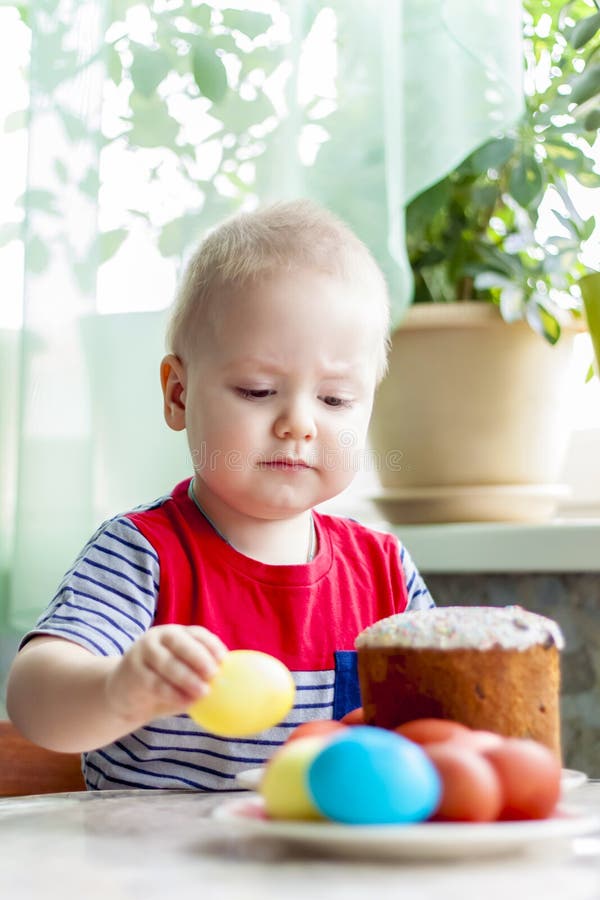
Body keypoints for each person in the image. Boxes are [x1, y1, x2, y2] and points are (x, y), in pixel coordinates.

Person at [7, 199, 434, 791]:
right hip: (159, 871)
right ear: (179, 395)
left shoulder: (384, 571)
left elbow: (440, 722)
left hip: (327, 874)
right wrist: (119, 689)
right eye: (258, 391)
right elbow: (35, 699)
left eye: (335, 400)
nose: (298, 423)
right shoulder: (143, 554)